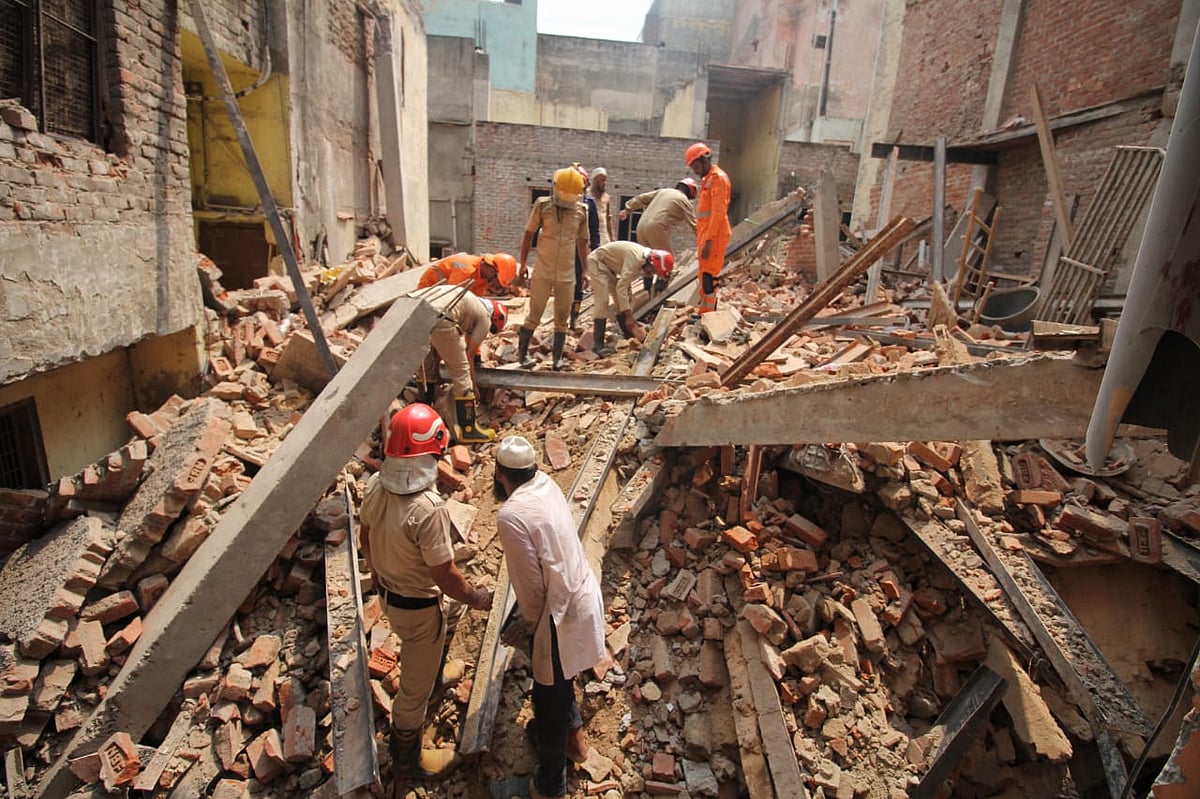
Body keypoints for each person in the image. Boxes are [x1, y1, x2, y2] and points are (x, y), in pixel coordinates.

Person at [359, 403, 494, 781]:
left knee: (451, 615)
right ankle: (407, 761)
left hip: (390, 595)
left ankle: (434, 676)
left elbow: (364, 537)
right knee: (411, 696)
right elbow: (445, 575)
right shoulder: (428, 509)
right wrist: (475, 597)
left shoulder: (375, 485)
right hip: (418, 609)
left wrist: (380, 572)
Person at [492, 436, 607, 799]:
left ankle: (549, 786)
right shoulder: (547, 484)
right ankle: (574, 741)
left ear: (499, 474)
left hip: (559, 615)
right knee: (561, 680)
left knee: (548, 701)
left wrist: (527, 627)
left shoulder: (511, 516)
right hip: (581, 596)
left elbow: (530, 589)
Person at [408, 284, 507, 443]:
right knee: (461, 371)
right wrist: (473, 388)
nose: (490, 331)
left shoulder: (470, 303)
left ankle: (425, 410)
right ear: (496, 318)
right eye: (493, 329)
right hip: (441, 316)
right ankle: (468, 430)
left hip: (413, 307)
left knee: (426, 365)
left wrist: (437, 371)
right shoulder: (485, 318)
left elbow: (438, 346)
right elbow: (468, 356)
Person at [517, 166, 591, 370]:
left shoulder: (581, 211)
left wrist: (585, 271)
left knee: (562, 318)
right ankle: (522, 354)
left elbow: (583, 241)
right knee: (534, 315)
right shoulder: (543, 206)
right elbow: (528, 234)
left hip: (567, 274)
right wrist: (522, 264)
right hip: (543, 270)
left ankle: (557, 359)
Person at [586, 241, 673, 355]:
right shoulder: (636, 260)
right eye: (653, 271)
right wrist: (629, 317)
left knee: (623, 299)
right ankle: (598, 345)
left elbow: (623, 289)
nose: (651, 273)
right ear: (651, 262)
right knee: (603, 300)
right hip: (598, 262)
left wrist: (629, 317)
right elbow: (621, 287)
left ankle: (627, 335)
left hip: (610, 267)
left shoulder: (643, 259)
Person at [620, 178, 697, 295]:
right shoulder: (684, 200)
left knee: (647, 261)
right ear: (691, 192)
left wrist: (627, 209)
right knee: (666, 261)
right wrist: (705, 240)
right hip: (656, 227)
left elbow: (642, 198)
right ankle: (660, 293)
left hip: (640, 226)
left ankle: (646, 290)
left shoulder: (663, 191)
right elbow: (694, 224)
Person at [685, 142, 732, 314]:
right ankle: (704, 312)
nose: (695, 171)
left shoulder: (718, 179)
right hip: (707, 235)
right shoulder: (709, 180)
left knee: (709, 278)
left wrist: (709, 241)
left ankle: (708, 315)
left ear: (705, 160)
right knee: (704, 275)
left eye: (696, 167)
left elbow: (718, 213)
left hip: (714, 236)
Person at [571, 164, 600, 332]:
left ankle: (573, 320)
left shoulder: (588, 204)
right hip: (562, 249)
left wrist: (594, 252)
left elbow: (594, 231)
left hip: (580, 251)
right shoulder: (558, 203)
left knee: (578, 285)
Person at [417, 252, 519, 297]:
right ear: (492, 271)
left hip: (444, 291)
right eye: (496, 281)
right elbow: (452, 296)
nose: (493, 285)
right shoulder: (467, 270)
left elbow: (474, 299)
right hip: (429, 287)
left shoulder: (484, 278)